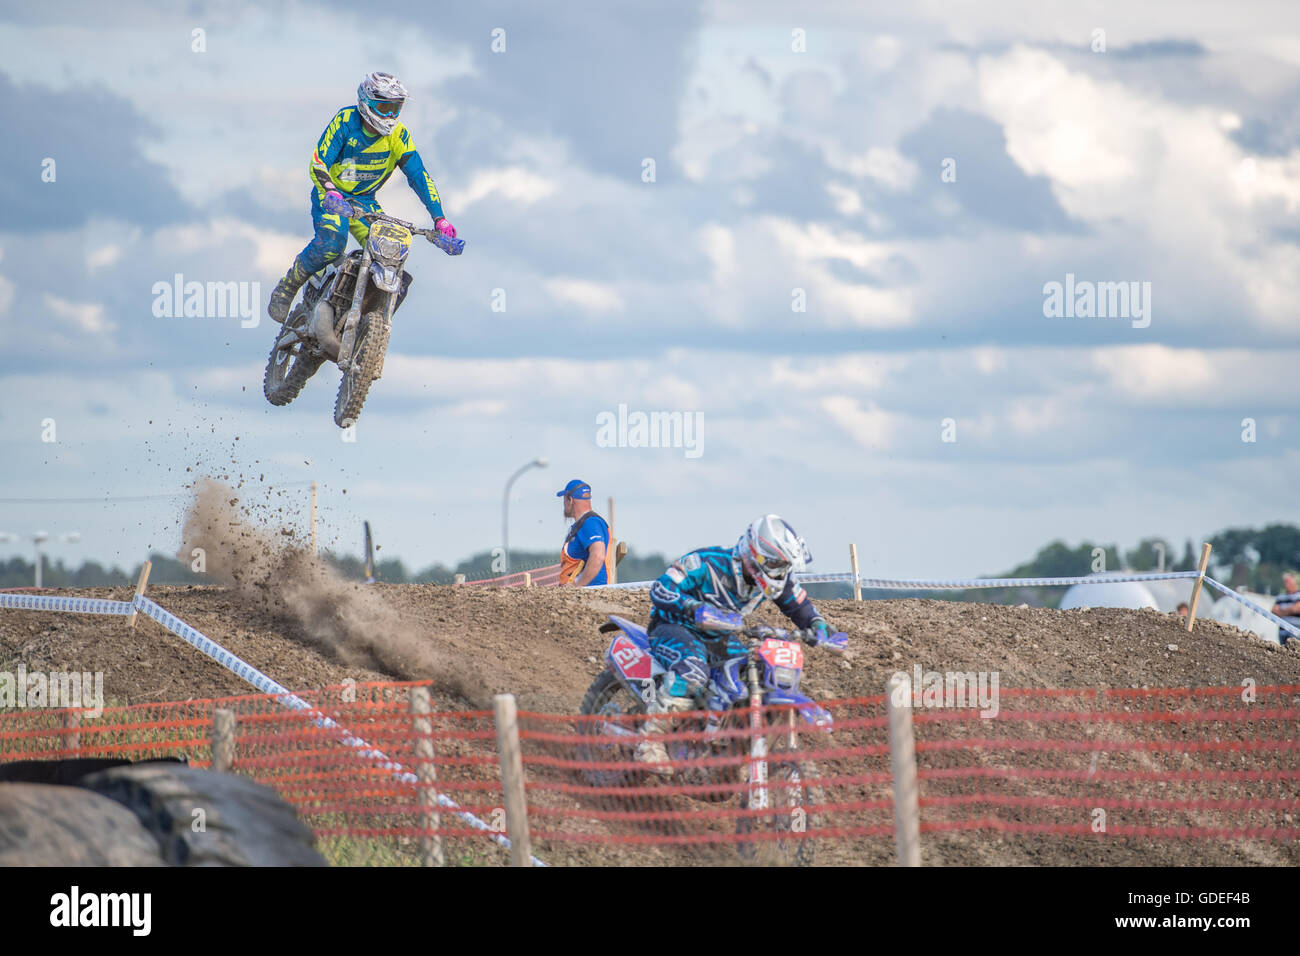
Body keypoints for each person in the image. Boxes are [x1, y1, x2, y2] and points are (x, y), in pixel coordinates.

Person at [636, 514, 838, 771]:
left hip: (718, 636)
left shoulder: (777, 580)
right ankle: (650, 740)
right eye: (777, 563)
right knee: (693, 672)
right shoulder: (707, 563)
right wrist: (692, 607)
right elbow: (661, 589)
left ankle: (724, 746)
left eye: (784, 565)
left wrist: (818, 626)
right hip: (674, 627)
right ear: (756, 556)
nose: (781, 571)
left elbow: (800, 607)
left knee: (752, 670)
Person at [267, 72, 457, 324]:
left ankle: (369, 324)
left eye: (395, 109)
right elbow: (318, 161)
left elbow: (419, 177)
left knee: (389, 257)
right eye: (384, 108)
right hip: (332, 195)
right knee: (332, 243)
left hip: (365, 201)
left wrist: (440, 219)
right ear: (366, 102)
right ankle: (286, 287)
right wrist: (330, 190)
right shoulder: (346, 121)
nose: (390, 116)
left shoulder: (398, 136)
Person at [557, 480, 610, 587]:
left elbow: (598, 556)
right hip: (580, 596)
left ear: (570, 500)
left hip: (589, 596)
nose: (563, 504)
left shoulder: (590, 523)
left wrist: (577, 586)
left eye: (564, 500)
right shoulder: (583, 524)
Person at [1274, 571, 1299, 645]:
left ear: (1294, 583)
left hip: (1296, 632)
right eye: (1285, 582)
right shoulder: (1280, 597)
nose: (1286, 584)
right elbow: (1274, 611)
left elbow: (1296, 609)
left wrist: (1282, 611)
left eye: (1288, 582)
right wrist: (1290, 610)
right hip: (1282, 631)